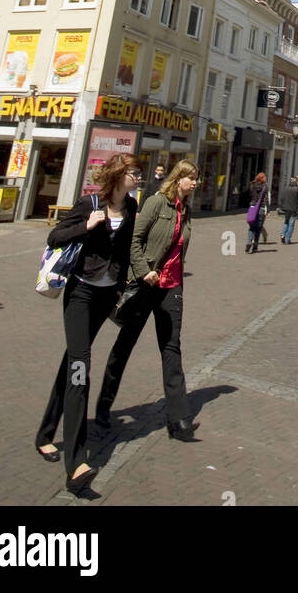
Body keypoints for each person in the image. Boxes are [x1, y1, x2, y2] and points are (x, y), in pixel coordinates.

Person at [35, 153, 142, 492]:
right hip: (80, 295)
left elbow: (124, 250)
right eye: (133, 172)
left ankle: (45, 434)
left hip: (106, 296)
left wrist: (127, 287)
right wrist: (88, 226)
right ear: (117, 175)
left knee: (72, 360)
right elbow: (55, 237)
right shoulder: (89, 204)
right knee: (81, 369)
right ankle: (77, 463)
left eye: (139, 173)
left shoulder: (132, 208)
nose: (138, 178)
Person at [95, 160, 199, 441]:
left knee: (171, 347)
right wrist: (143, 272)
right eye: (191, 178)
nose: (195, 183)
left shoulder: (187, 210)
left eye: (196, 179)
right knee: (124, 346)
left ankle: (179, 419)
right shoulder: (155, 204)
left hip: (172, 287)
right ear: (178, 179)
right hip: (145, 285)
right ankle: (103, 407)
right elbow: (134, 240)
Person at [245, 172, 268, 253]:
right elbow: (265, 199)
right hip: (261, 208)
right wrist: (266, 210)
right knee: (258, 228)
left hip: (253, 207)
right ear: (262, 178)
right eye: (264, 177)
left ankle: (249, 241)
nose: (266, 178)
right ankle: (255, 247)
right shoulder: (265, 186)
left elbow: (250, 195)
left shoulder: (252, 185)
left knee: (252, 226)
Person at [278, 177, 298, 244]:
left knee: (286, 221)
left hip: (286, 208)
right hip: (293, 208)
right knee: (291, 224)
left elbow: (282, 197)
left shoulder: (286, 188)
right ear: (296, 182)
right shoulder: (297, 189)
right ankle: (287, 239)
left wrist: (282, 206)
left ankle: (283, 234)